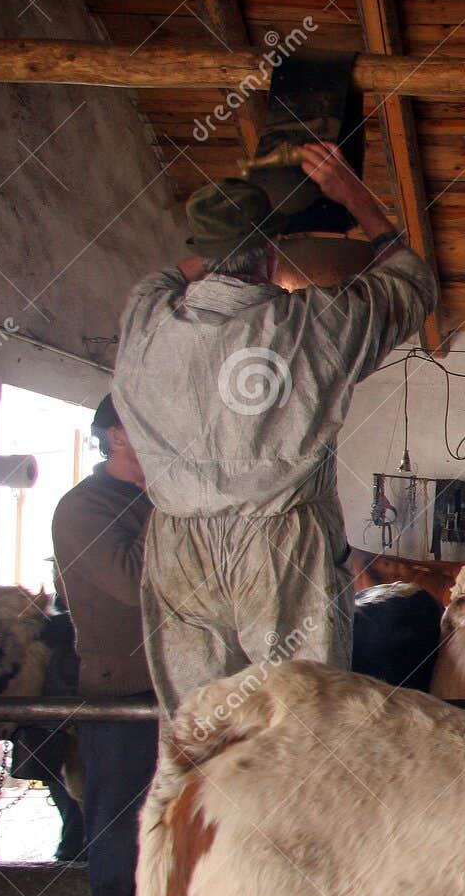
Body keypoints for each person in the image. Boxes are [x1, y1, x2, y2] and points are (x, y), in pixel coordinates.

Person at [111, 143, 438, 712]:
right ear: (270, 253)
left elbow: (172, 275)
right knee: (298, 721)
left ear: (202, 254)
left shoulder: (145, 318)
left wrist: (228, 232)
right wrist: (357, 200)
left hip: (179, 545)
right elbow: (411, 284)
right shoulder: (315, 324)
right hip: (281, 542)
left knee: (199, 726)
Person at [50, 396, 156, 896]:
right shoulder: (83, 509)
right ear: (117, 436)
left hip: (181, 691)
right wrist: (174, 509)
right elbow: (132, 583)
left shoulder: (150, 503)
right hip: (124, 698)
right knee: (119, 828)